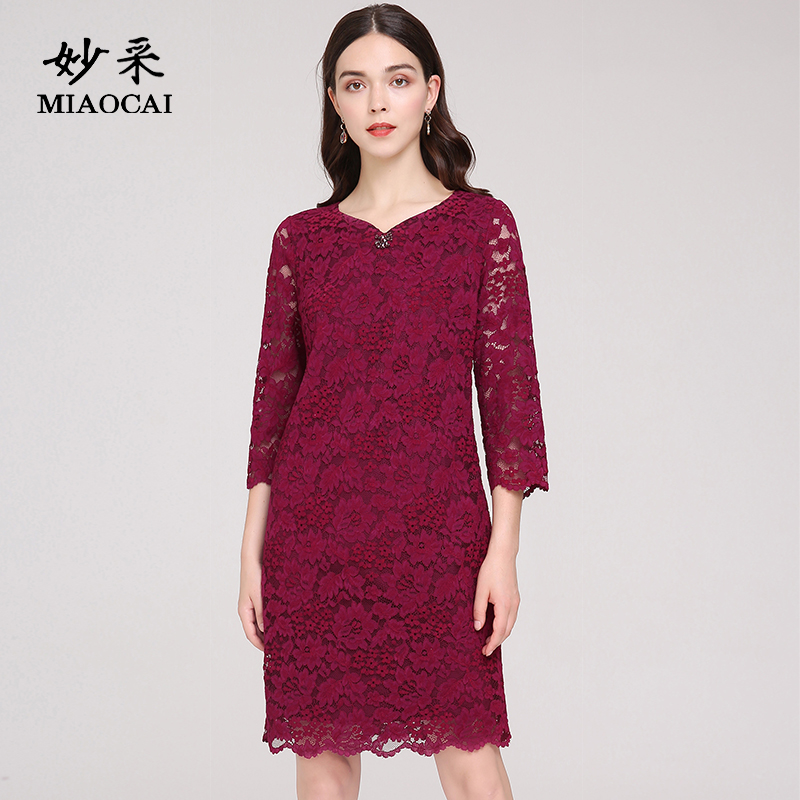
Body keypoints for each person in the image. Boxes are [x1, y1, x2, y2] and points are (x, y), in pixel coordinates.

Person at [237, 4, 549, 799]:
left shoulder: (481, 228)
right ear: (335, 104)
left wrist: (503, 552)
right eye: (355, 84)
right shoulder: (301, 240)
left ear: (430, 92)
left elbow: (510, 401)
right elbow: (273, 409)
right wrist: (251, 554)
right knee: (322, 759)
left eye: (397, 80)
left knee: (471, 755)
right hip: (313, 536)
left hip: (440, 535)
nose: (378, 101)